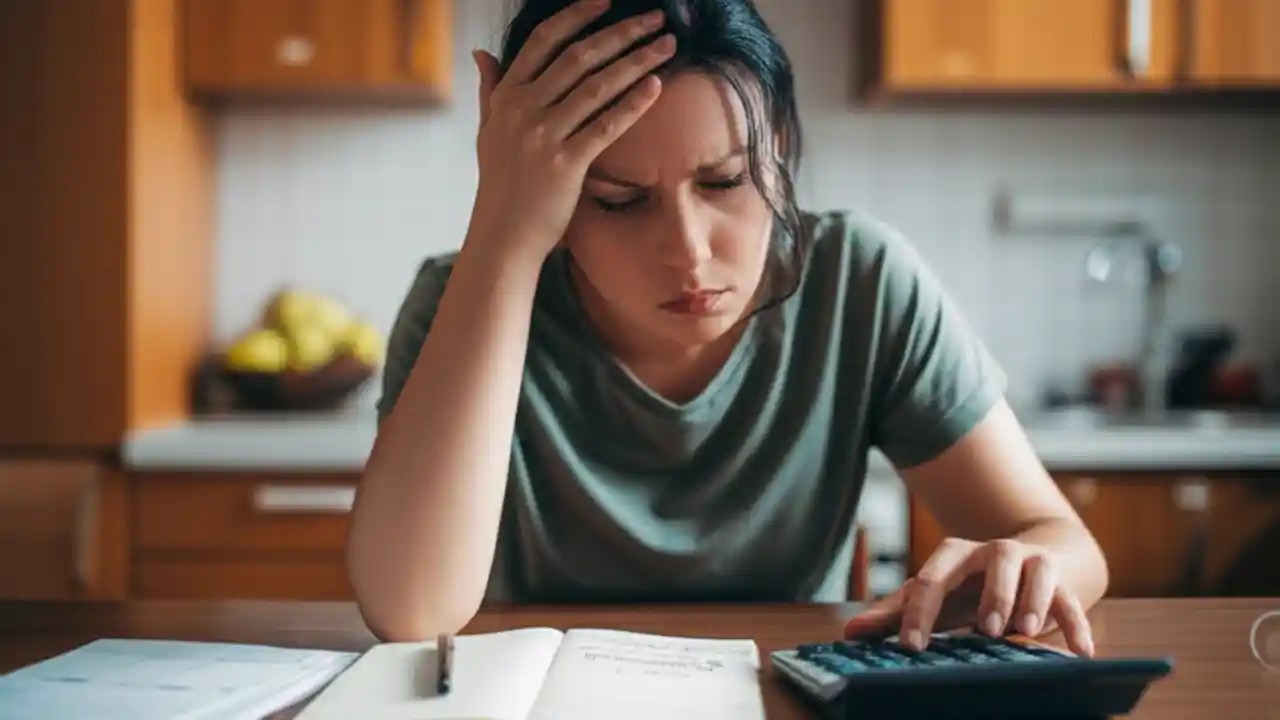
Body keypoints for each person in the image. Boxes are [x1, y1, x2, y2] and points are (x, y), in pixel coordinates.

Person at [346, 0, 1107, 657]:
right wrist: (504, 236)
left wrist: (1029, 567)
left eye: (725, 182)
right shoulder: (464, 294)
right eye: (616, 199)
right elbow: (411, 612)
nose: (688, 250)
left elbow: (1066, 542)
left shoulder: (860, 278)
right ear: (554, 196)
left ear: (777, 151)